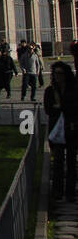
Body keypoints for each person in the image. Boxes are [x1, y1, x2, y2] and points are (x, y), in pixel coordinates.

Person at [44, 62, 78, 202]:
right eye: (56, 74)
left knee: (71, 162)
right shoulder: (50, 91)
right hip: (57, 131)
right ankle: (57, 191)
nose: (58, 76)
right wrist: (61, 108)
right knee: (58, 161)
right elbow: (48, 109)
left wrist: (61, 107)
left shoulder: (73, 89)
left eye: (60, 74)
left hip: (71, 129)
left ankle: (70, 192)